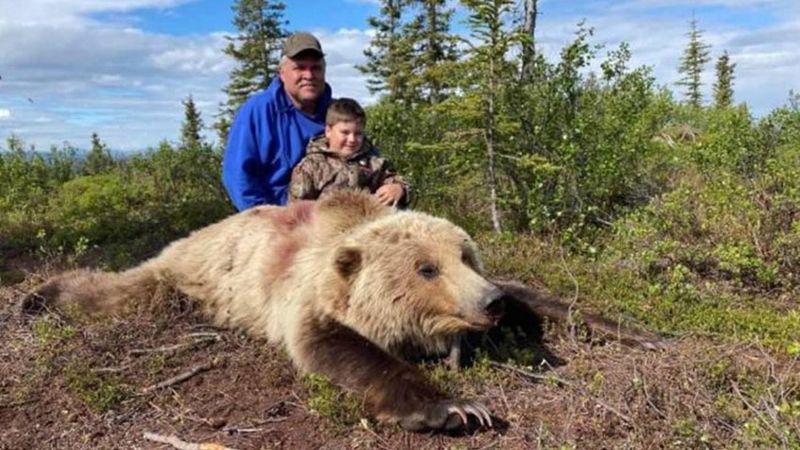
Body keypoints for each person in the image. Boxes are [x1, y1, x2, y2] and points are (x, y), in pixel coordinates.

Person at [222, 32, 333, 211]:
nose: (309, 75)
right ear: (282, 73)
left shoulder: (338, 114)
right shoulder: (257, 111)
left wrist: (394, 185)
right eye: (300, 68)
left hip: (331, 220)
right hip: (276, 222)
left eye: (316, 68)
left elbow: (367, 160)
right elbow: (239, 178)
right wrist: (268, 221)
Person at [288, 98, 410, 207]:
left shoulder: (375, 164)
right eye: (345, 133)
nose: (352, 140)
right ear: (328, 131)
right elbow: (297, 211)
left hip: (367, 227)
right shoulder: (310, 167)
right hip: (326, 228)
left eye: (358, 134)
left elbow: (401, 184)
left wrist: (399, 189)